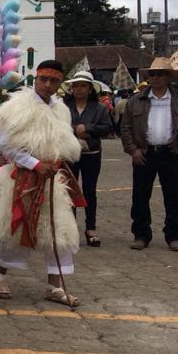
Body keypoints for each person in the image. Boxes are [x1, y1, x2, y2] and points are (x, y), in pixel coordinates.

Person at [0, 60, 85, 307]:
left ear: (60, 83)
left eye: (53, 81)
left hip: (53, 179)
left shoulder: (61, 109)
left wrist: (55, 161)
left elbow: (63, 141)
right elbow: (6, 144)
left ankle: (55, 285)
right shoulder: (17, 107)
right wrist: (35, 164)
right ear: (36, 78)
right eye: (43, 79)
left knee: (58, 229)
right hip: (23, 177)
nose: (47, 85)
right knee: (19, 227)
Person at [119, 58, 178, 251]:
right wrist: (133, 150)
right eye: (152, 74)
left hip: (170, 152)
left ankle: (174, 235)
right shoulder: (135, 100)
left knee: (173, 197)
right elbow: (125, 129)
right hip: (144, 153)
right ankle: (141, 235)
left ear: (169, 77)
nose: (154, 78)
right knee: (140, 197)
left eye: (159, 74)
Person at [64, 70, 116, 247]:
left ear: (90, 89)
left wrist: (88, 128)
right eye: (75, 86)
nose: (78, 89)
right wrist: (73, 129)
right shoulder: (64, 106)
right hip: (69, 154)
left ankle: (91, 228)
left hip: (91, 153)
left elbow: (108, 127)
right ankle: (69, 229)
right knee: (68, 191)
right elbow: (57, 125)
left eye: (82, 86)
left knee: (90, 191)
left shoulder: (100, 107)